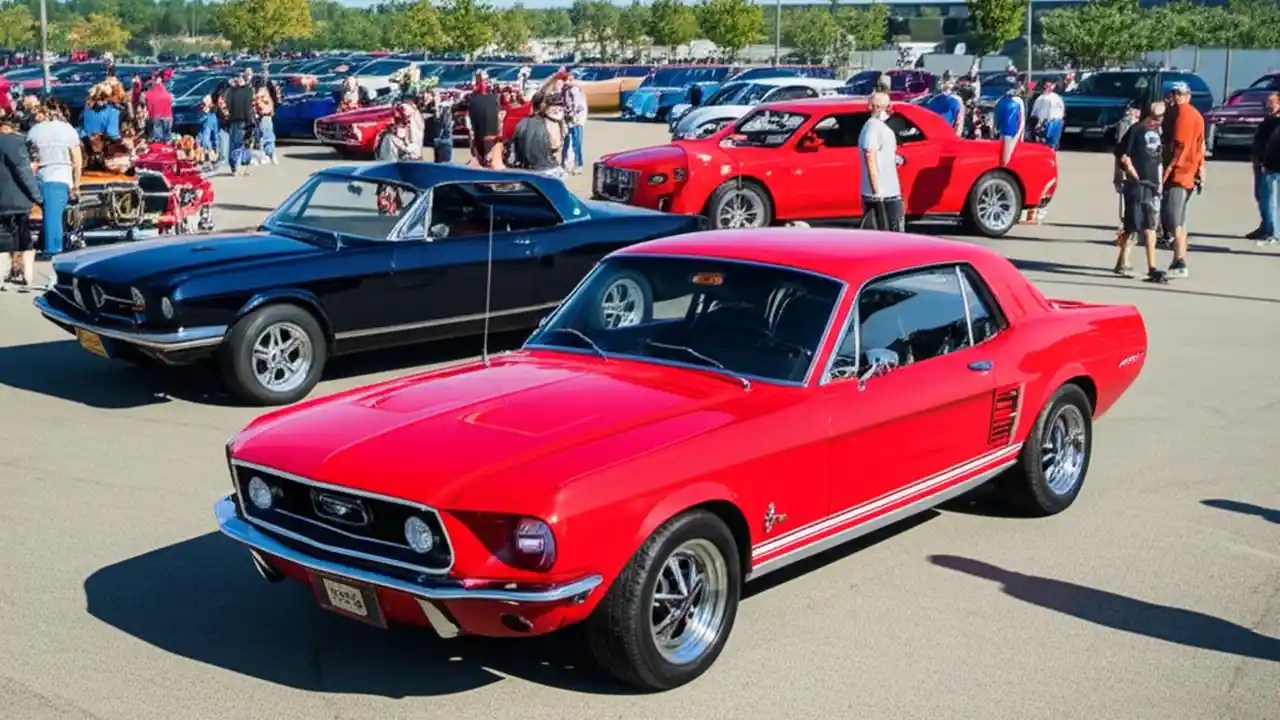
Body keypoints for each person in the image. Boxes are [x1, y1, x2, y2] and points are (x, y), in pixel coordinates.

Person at [1114, 101, 1168, 283]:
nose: (1159, 120)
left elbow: (1159, 158)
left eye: (1161, 117)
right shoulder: (1136, 129)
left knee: (1151, 226)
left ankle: (1152, 268)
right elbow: (1123, 155)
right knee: (1133, 226)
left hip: (1153, 184)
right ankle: (1123, 260)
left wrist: (1160, 182)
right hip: (1136, 184)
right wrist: (1132, 174)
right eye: (1157, 116)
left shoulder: (1158, 132)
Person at [25, 100, 81, 266]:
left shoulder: (34, 131)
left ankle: (44, 243)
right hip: (60, 175)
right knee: (54, 215)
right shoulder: (68, 130)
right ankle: (53, 249)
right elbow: (77, 160)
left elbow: (29, 157)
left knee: (49, 213)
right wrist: (76, 184)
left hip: (40, 176)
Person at [1159, 81, 1203, 279]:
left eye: (1177, 94)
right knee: (1179, 219)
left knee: (1173, 219)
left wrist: (1167, 171)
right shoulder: (1195, 114)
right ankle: (1178, 259)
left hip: (1179, 174)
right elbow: (1200, 146)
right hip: (1188, 172)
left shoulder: (1182, 114)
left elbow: (1179, 145)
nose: (1173, 98)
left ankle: (1180, 260)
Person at [0, 113, 43, 291]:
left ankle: (1, 275)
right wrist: (37, 197)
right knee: (23, 236)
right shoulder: (16, 143)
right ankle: (27, 275)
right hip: (18, 199)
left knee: (2, 236)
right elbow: (23, 172)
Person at [858, 91, 903, 232]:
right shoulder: (873, 128)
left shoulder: (881, 127)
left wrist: (895, 160)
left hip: (889, 190)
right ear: (878, 108)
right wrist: (876, 191)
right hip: (882, 193)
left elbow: (883, 154)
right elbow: (869, 156)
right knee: (886, 231)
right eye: (887, 107)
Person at [1111, 103, 1142, 247]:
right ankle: (1127, 234)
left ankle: (1131, 233)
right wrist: (1118, 174)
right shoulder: (1126, 124)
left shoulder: (1139, 125)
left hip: (1134, 168)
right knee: (1128, 204)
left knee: (1132, 204)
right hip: (1127, 167)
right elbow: (1120, 149)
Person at [510, 94, 563, 176]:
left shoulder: (521, 123)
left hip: (526, 168)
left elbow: (515, 150)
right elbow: (555, 146)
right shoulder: (550, 123)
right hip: (546, 168)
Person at [1252, 92, 1280, 246]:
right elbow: (1260, 140)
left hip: (1273, 166)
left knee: (1272, 200)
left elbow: (1273, 145)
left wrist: (1266, 160)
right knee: (1262, 198)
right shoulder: (1267, 121)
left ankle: (1273, 232)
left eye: (1272, 103)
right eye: (1267, 104)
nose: (1268, 106)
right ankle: (1266, 226)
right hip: (1262, 163)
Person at [223, 75, 255, 176]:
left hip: (236, 121)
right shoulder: (248, 91)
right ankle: (243, 168)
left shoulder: (231, 91)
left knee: (236, 144)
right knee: (245, 144)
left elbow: (227, 105)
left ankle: (235, 168)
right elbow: (249, 107)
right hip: (245, 121)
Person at [467, 71, 501, 168]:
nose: (486, 83)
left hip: (489, 135)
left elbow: (497, 116)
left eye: (487, 80)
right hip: (481, 135)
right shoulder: (474, 98)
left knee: (488, 158)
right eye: (484, 81)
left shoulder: (492, 98)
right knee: (483, 158)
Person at [561, 72, 588, 174]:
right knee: (566, 142)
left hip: (576, 120)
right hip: (568, 120)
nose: (565, 82)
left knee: (577, 143)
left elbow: (578, 105)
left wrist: (572, 114)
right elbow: (564, 103)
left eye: (566, 80)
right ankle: (565, 164)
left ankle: (579, 165)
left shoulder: (575, 89)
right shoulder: (564, 90)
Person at [993, 85, 1025, 168]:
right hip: (1009, 132)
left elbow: (1021, 120)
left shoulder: (1001, 101)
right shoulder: (1016, 101)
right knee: (1006, 158)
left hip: (1005, 132)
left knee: (1004, 158)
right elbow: (1021, 121)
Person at [1030, 77, 1065, 151]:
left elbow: (1061, 112)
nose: (1049, 87)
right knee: (1045, 145)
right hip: (1045, 124)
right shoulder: (1041, 98)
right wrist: (1038, 123)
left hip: (1055, 123)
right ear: (1044, 86)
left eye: (1051, 84)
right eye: (1047, 85)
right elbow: (1037, 113)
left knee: (1052, 145)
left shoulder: (1057, 98)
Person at [252, 77, 277, 164]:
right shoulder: (266, 92)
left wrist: (256, 112)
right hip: (267, 115)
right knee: (268, 135)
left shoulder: (259, 93)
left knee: (263, 136)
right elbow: (270, 103)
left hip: (263, 116)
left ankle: (266, 155)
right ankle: (270, 154)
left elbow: (257, 104)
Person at [145, 75, 174, 143]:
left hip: (155, 115)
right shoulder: (166, 91)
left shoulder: (148, 93)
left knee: (157, 138)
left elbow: (146, 104)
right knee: (167, 137)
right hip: (167, 115)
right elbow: (170, 101)